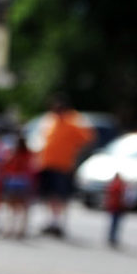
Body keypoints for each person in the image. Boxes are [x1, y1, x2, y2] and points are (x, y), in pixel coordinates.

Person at [33, 95, 91, 237]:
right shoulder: (50, 119)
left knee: (60, 195)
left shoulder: (74, 120)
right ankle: (50, 221)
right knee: (48, 195)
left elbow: (87, 139)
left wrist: (74, 152)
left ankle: (58, 223)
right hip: (47, 163)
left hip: (63, 165)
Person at [0, 136, 36, 239]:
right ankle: (20, 229)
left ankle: (9, 229)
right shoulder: (28, 154)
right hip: (22, 182)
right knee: (22, 208)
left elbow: (6, 166)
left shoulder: (13, 154)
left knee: (11, 208)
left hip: (14, 182)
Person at [104, 171, 128, 248]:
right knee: (115, 224)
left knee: (114, 224)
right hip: (117, 207)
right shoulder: (120, 186)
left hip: (115, 207)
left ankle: (112, 237)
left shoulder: (113, 185)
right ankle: (112, 237)